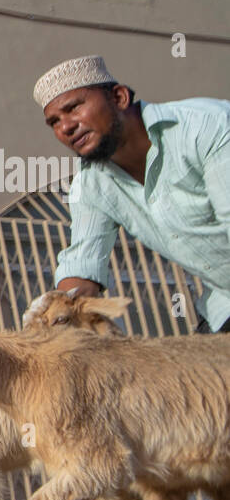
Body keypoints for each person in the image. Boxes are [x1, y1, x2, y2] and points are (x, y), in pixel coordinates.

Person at [36, 55, 230, 333]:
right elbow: (83, 263)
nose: (66, 127)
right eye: (54, 121)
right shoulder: (91, 184)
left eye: (74, 107)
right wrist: (58, 313)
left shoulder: (208, 127)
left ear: (119, 97)